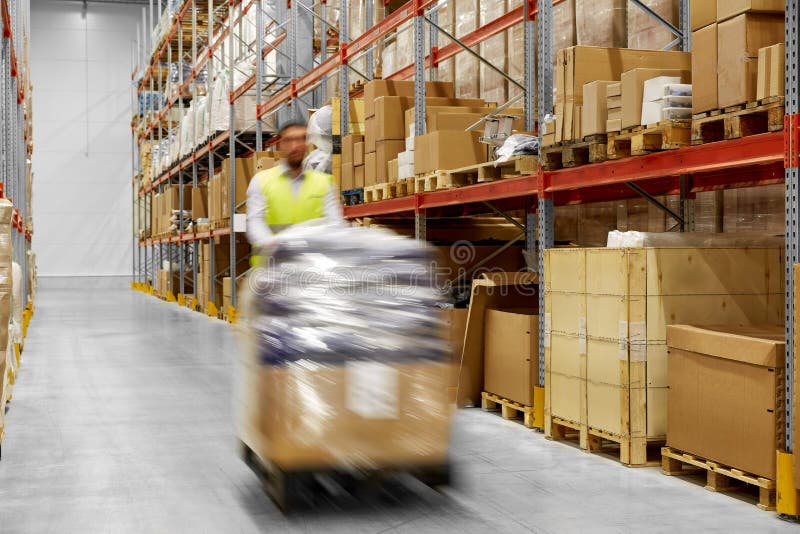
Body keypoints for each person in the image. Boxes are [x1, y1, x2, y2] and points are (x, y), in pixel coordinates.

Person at [246, 119, 342, 264]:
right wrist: (274, 244)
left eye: (301, 139)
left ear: (307, 143)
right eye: (290, 140)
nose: (295, 146)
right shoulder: (261, 181)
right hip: (272, 270)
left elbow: (335, 225)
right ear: (280, 144)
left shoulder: (324, 182)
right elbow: (255, 222)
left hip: (310, 270)